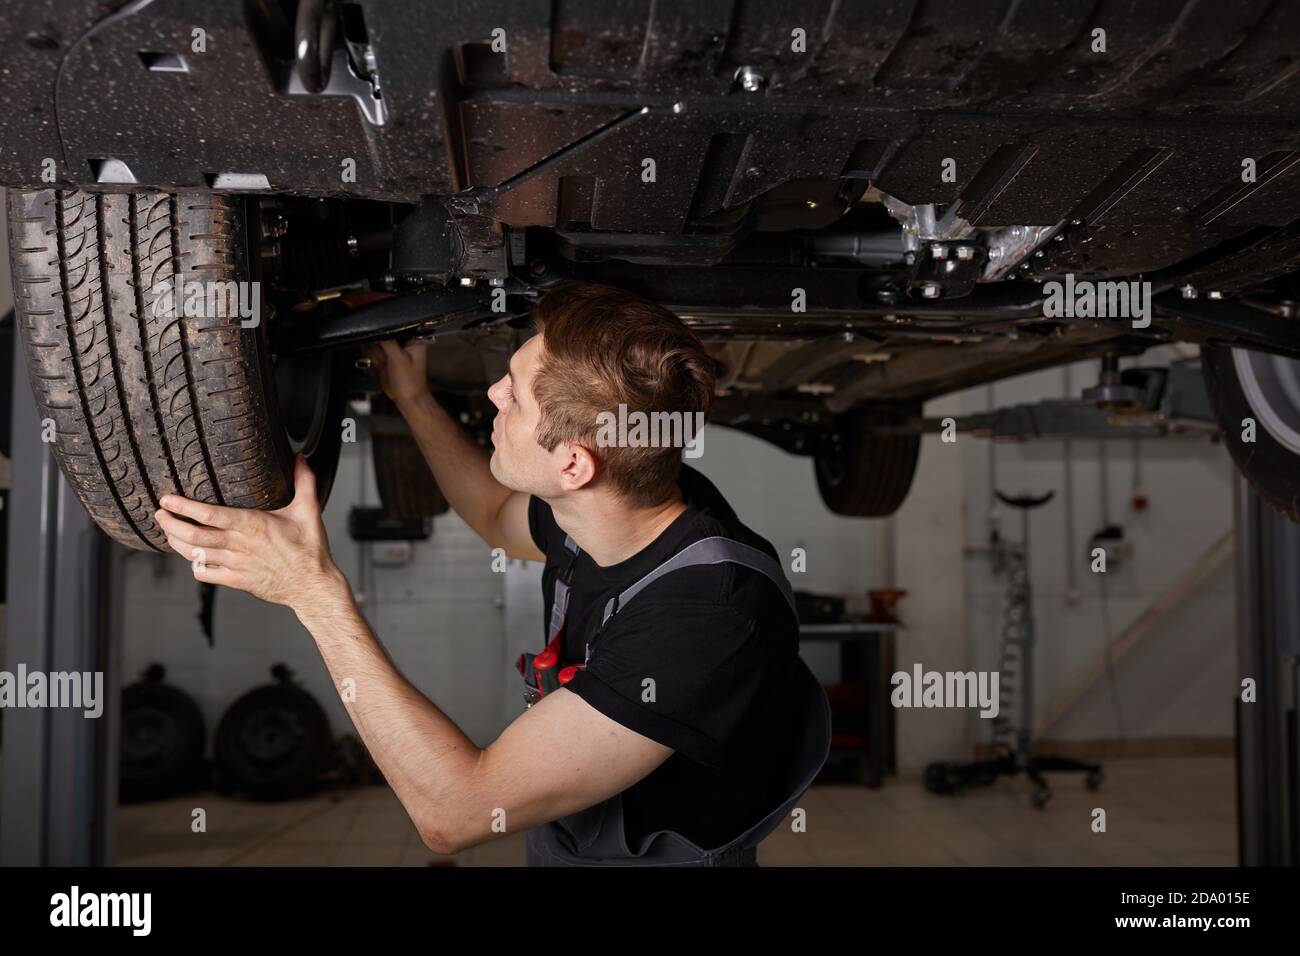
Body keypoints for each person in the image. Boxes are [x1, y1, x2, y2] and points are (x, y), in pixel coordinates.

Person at [155, 281, 826, 865]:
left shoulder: (708, 618)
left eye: (516, 399)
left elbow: (455, 813)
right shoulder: (619, 502)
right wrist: (414, 398)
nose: (492, 391)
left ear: (573, 464)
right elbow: (491, 509)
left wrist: (313, 591)